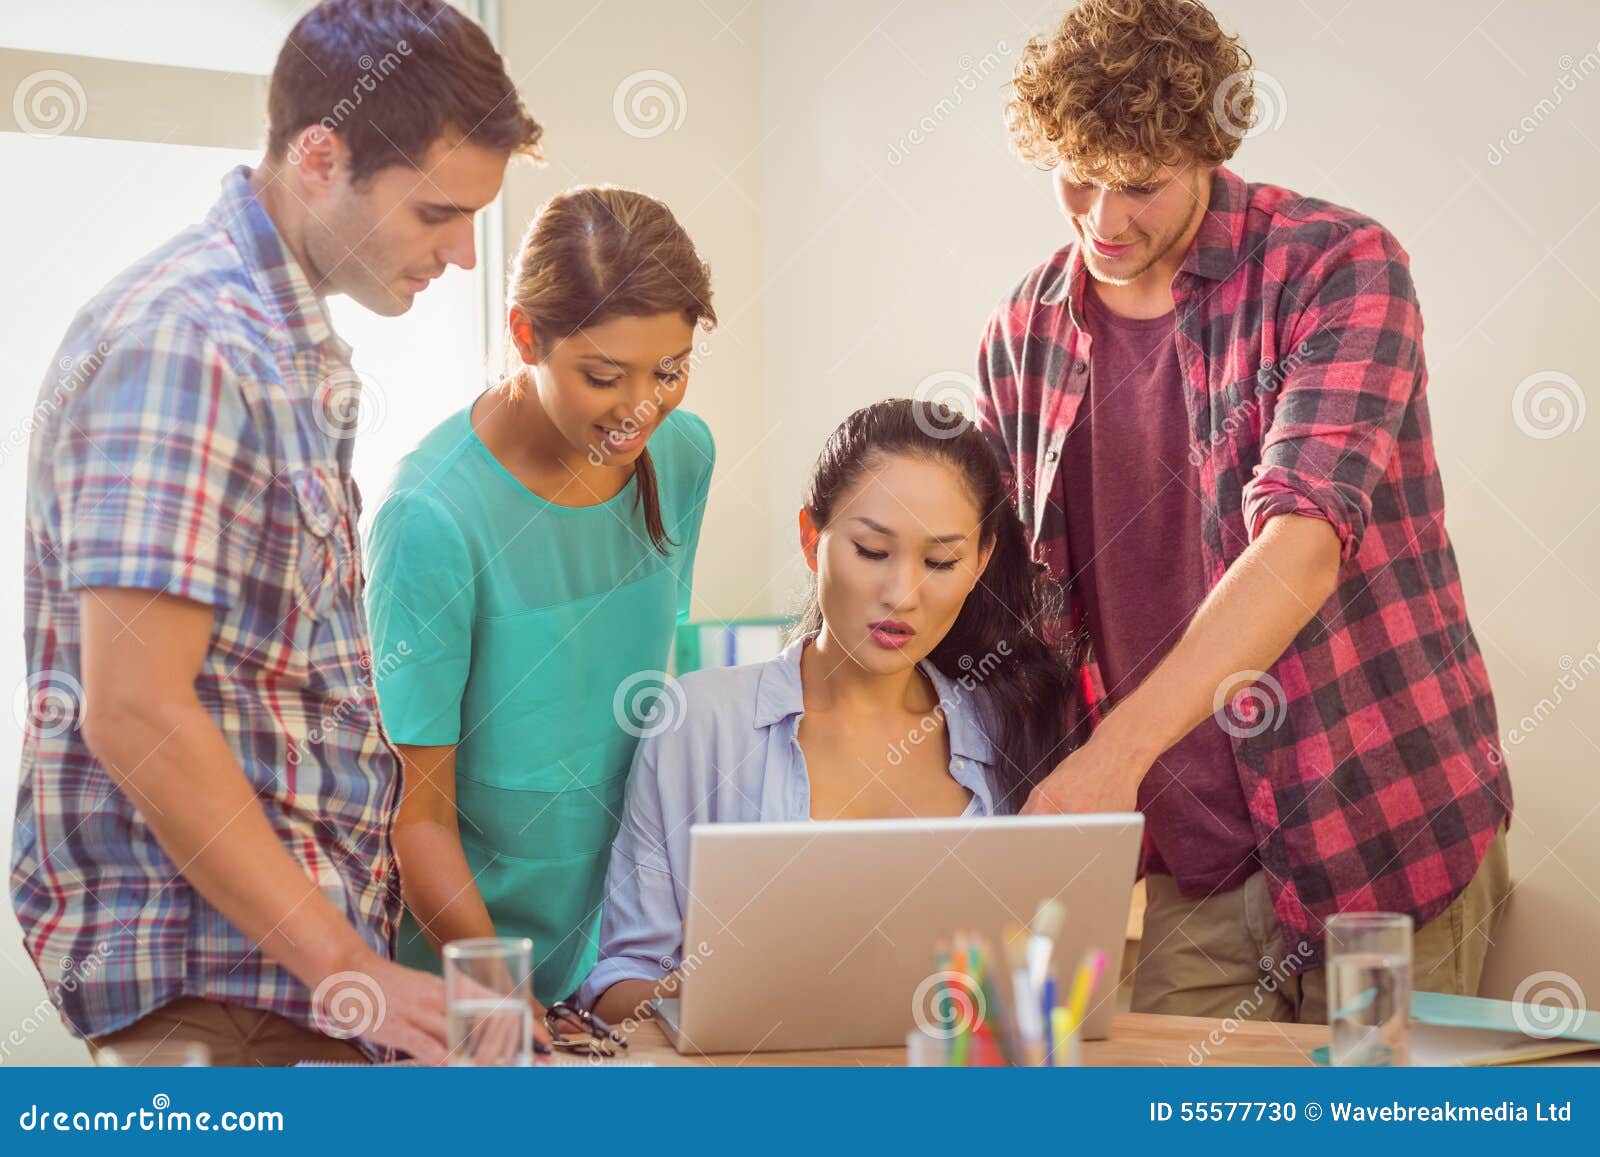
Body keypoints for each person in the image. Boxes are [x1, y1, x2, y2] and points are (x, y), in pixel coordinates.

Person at [11, 0, 544, 1066]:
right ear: (318, 154)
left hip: (279, 978)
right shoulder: (192, 342)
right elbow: (134, 707)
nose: (461, 248)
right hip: (216, 981)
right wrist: (349, 970)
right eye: (437, 212)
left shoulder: (282, 344)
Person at [977, 0, 1512, 1022]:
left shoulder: (1338, 268)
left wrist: (1112, 757)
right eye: (1076, 177)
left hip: (1381, 832)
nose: (1102, 219)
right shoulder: (1022, 334)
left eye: (1139, 185)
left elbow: (1301, 549)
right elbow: (1007, 607)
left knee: (1378, 1125)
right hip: (1198, 860)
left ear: (1207, 152)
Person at [577, 398, 1083, 1026]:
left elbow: (1052, 994)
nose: (902, 595)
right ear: (812, 538)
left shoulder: (1010, 726)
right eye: (872, 551)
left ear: (979, 561)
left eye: (941, 562)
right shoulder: (699, 722)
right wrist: (743, 996)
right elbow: (620, 985)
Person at [364, 186, 717, 1012]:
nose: (641, 410)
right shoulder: (431, 517)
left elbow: (630, 719)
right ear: (525, 334)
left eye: (669, 371)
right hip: (462, 967)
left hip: (616, 956)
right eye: (604, 375)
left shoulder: (683, 455)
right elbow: (416, 821)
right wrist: (505, 1002)